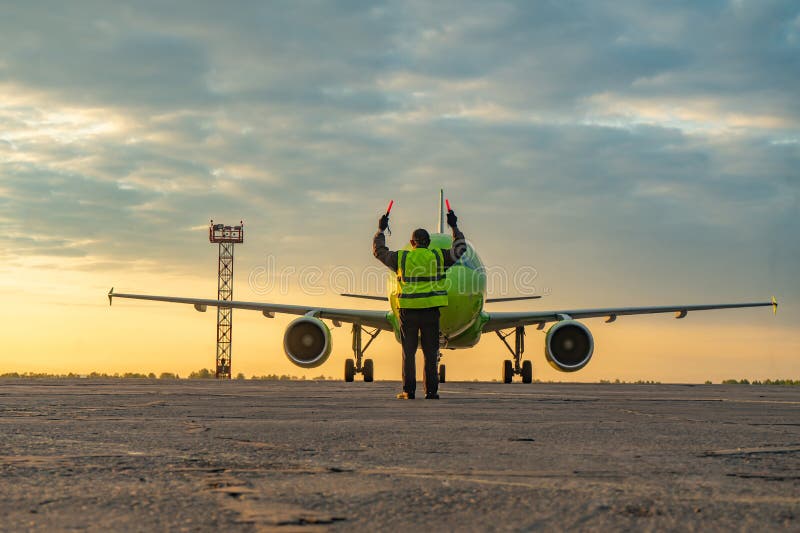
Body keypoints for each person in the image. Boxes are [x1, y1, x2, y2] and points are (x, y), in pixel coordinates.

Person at [373, 208, 466, 399]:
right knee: (431, 353)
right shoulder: (437, 257)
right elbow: (460, 249)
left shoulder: (402, 257)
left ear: (412, 243)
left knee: (409, 353)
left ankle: (409, 391)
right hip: (431, 312)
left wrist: (381, 231)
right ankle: (431, 392)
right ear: (429, 243)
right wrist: (454, 226)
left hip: (409, 312)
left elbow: (379, 252)